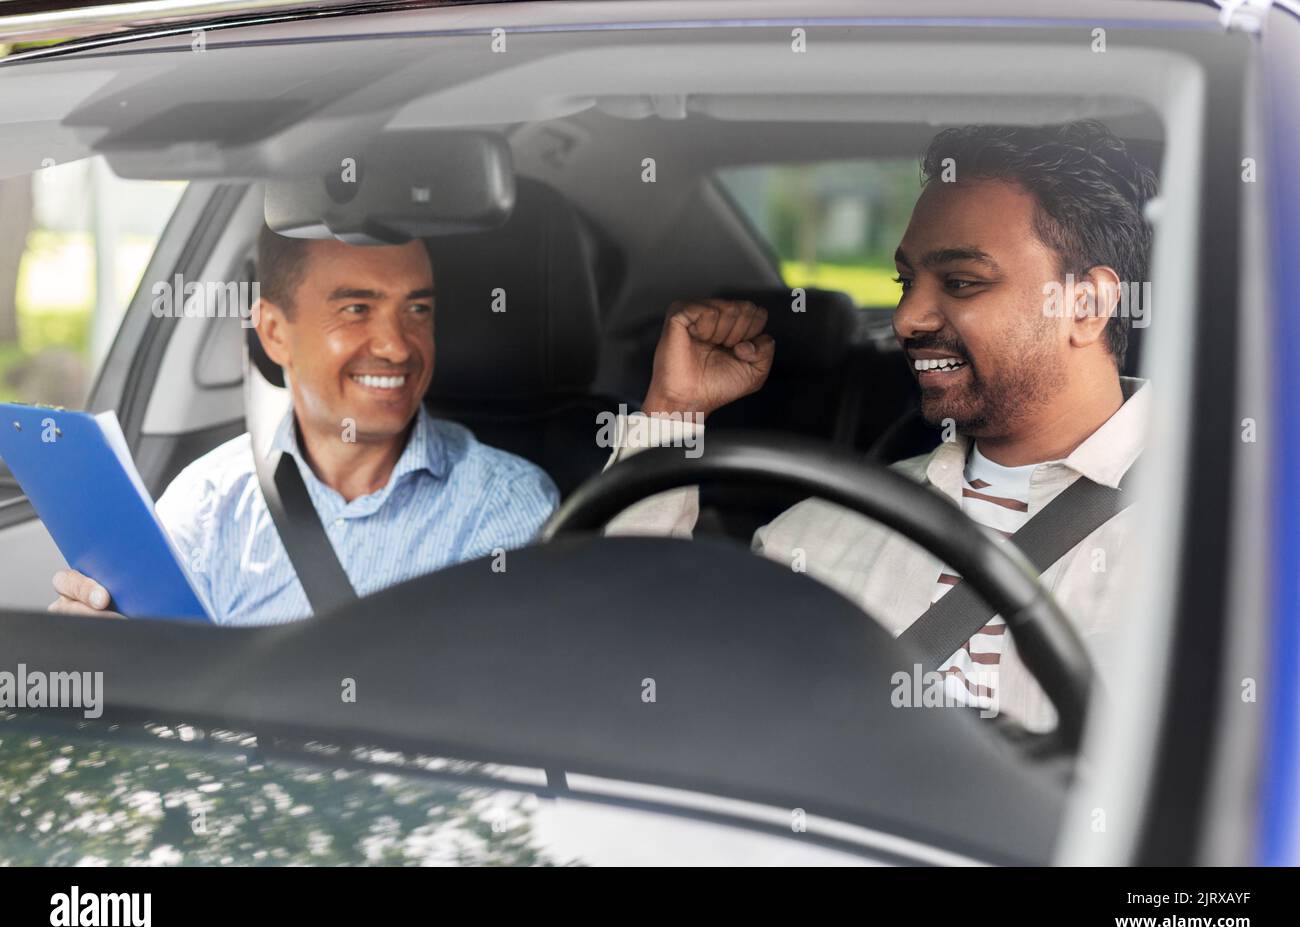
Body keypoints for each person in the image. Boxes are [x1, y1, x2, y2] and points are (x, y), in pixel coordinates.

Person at [605, 121, 1156, 732]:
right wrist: (672, 414)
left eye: (962, 282)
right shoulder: (824, 532)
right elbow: (625, 672)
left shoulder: (1234, 541)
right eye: (905, 282)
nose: (906, 318)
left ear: (1087, 304)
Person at [49, 226, 558, 625]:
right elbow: (166, 703)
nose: (398, 346)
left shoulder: (504, 505)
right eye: (357, 309)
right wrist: (108, 650)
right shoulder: (206, 504)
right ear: (273, 332)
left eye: (417, 309)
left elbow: (478, 718)